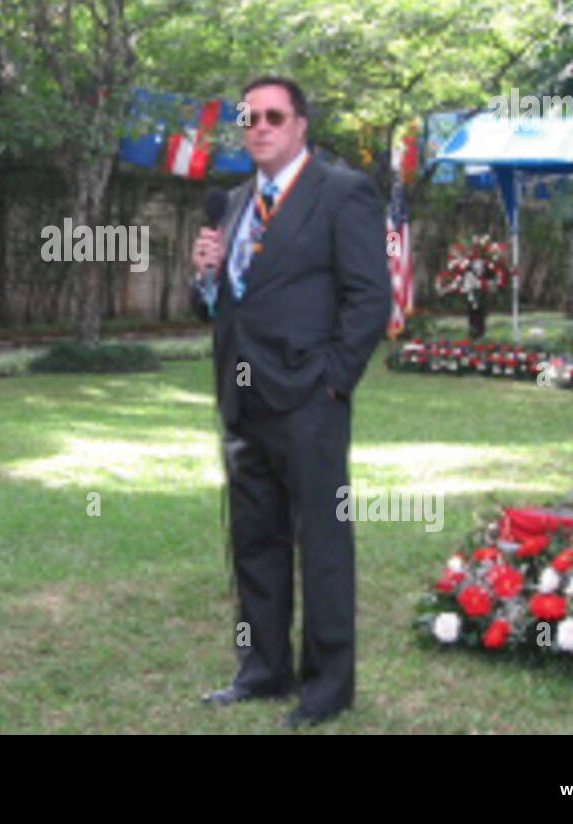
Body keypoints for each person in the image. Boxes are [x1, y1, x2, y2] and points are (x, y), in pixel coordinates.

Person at [190, 75, 390, 728]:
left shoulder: (343, 192)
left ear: (301, 125)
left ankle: (327, 687)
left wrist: (332, 380)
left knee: (322, 544)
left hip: (309, 400)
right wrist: (205, 277)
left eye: (275, 115)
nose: (261, 126)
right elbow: (216, 308)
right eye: (250, 117)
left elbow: (370, 298)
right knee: (254, 542)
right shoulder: (236, 202)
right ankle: (262, 669)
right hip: (242, 399)